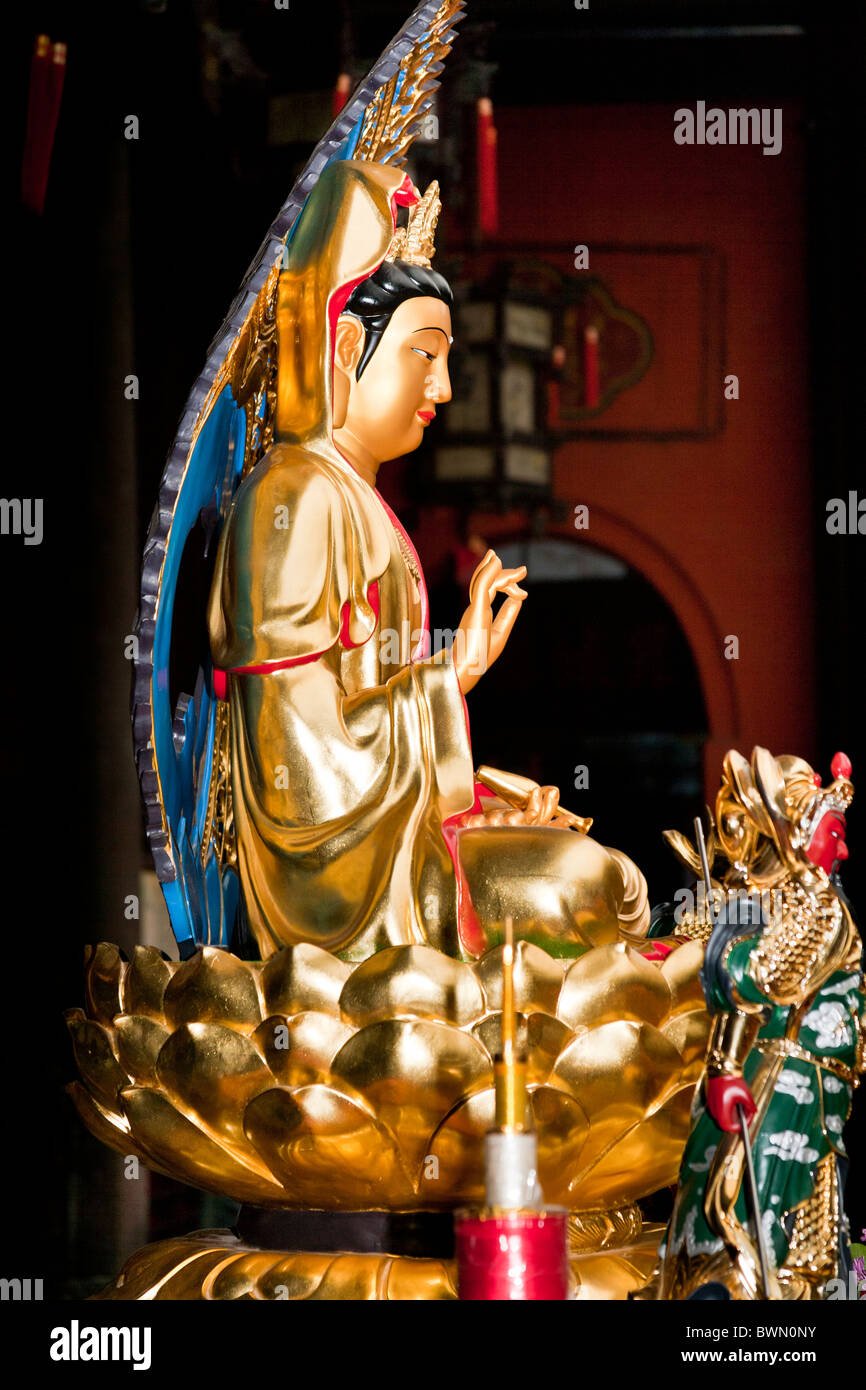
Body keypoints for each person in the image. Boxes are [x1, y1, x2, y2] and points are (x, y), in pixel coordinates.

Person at [207, 159, 645, 961]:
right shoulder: (296, 496)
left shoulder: (358, 502)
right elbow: (297, 773)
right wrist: (451, 677)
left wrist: (484, 797)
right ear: (343, 347)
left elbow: (375, 716)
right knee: (580, 887)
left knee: (597, 869)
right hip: (338, 883)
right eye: (425, 352)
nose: (442, 386)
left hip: (390, 830)